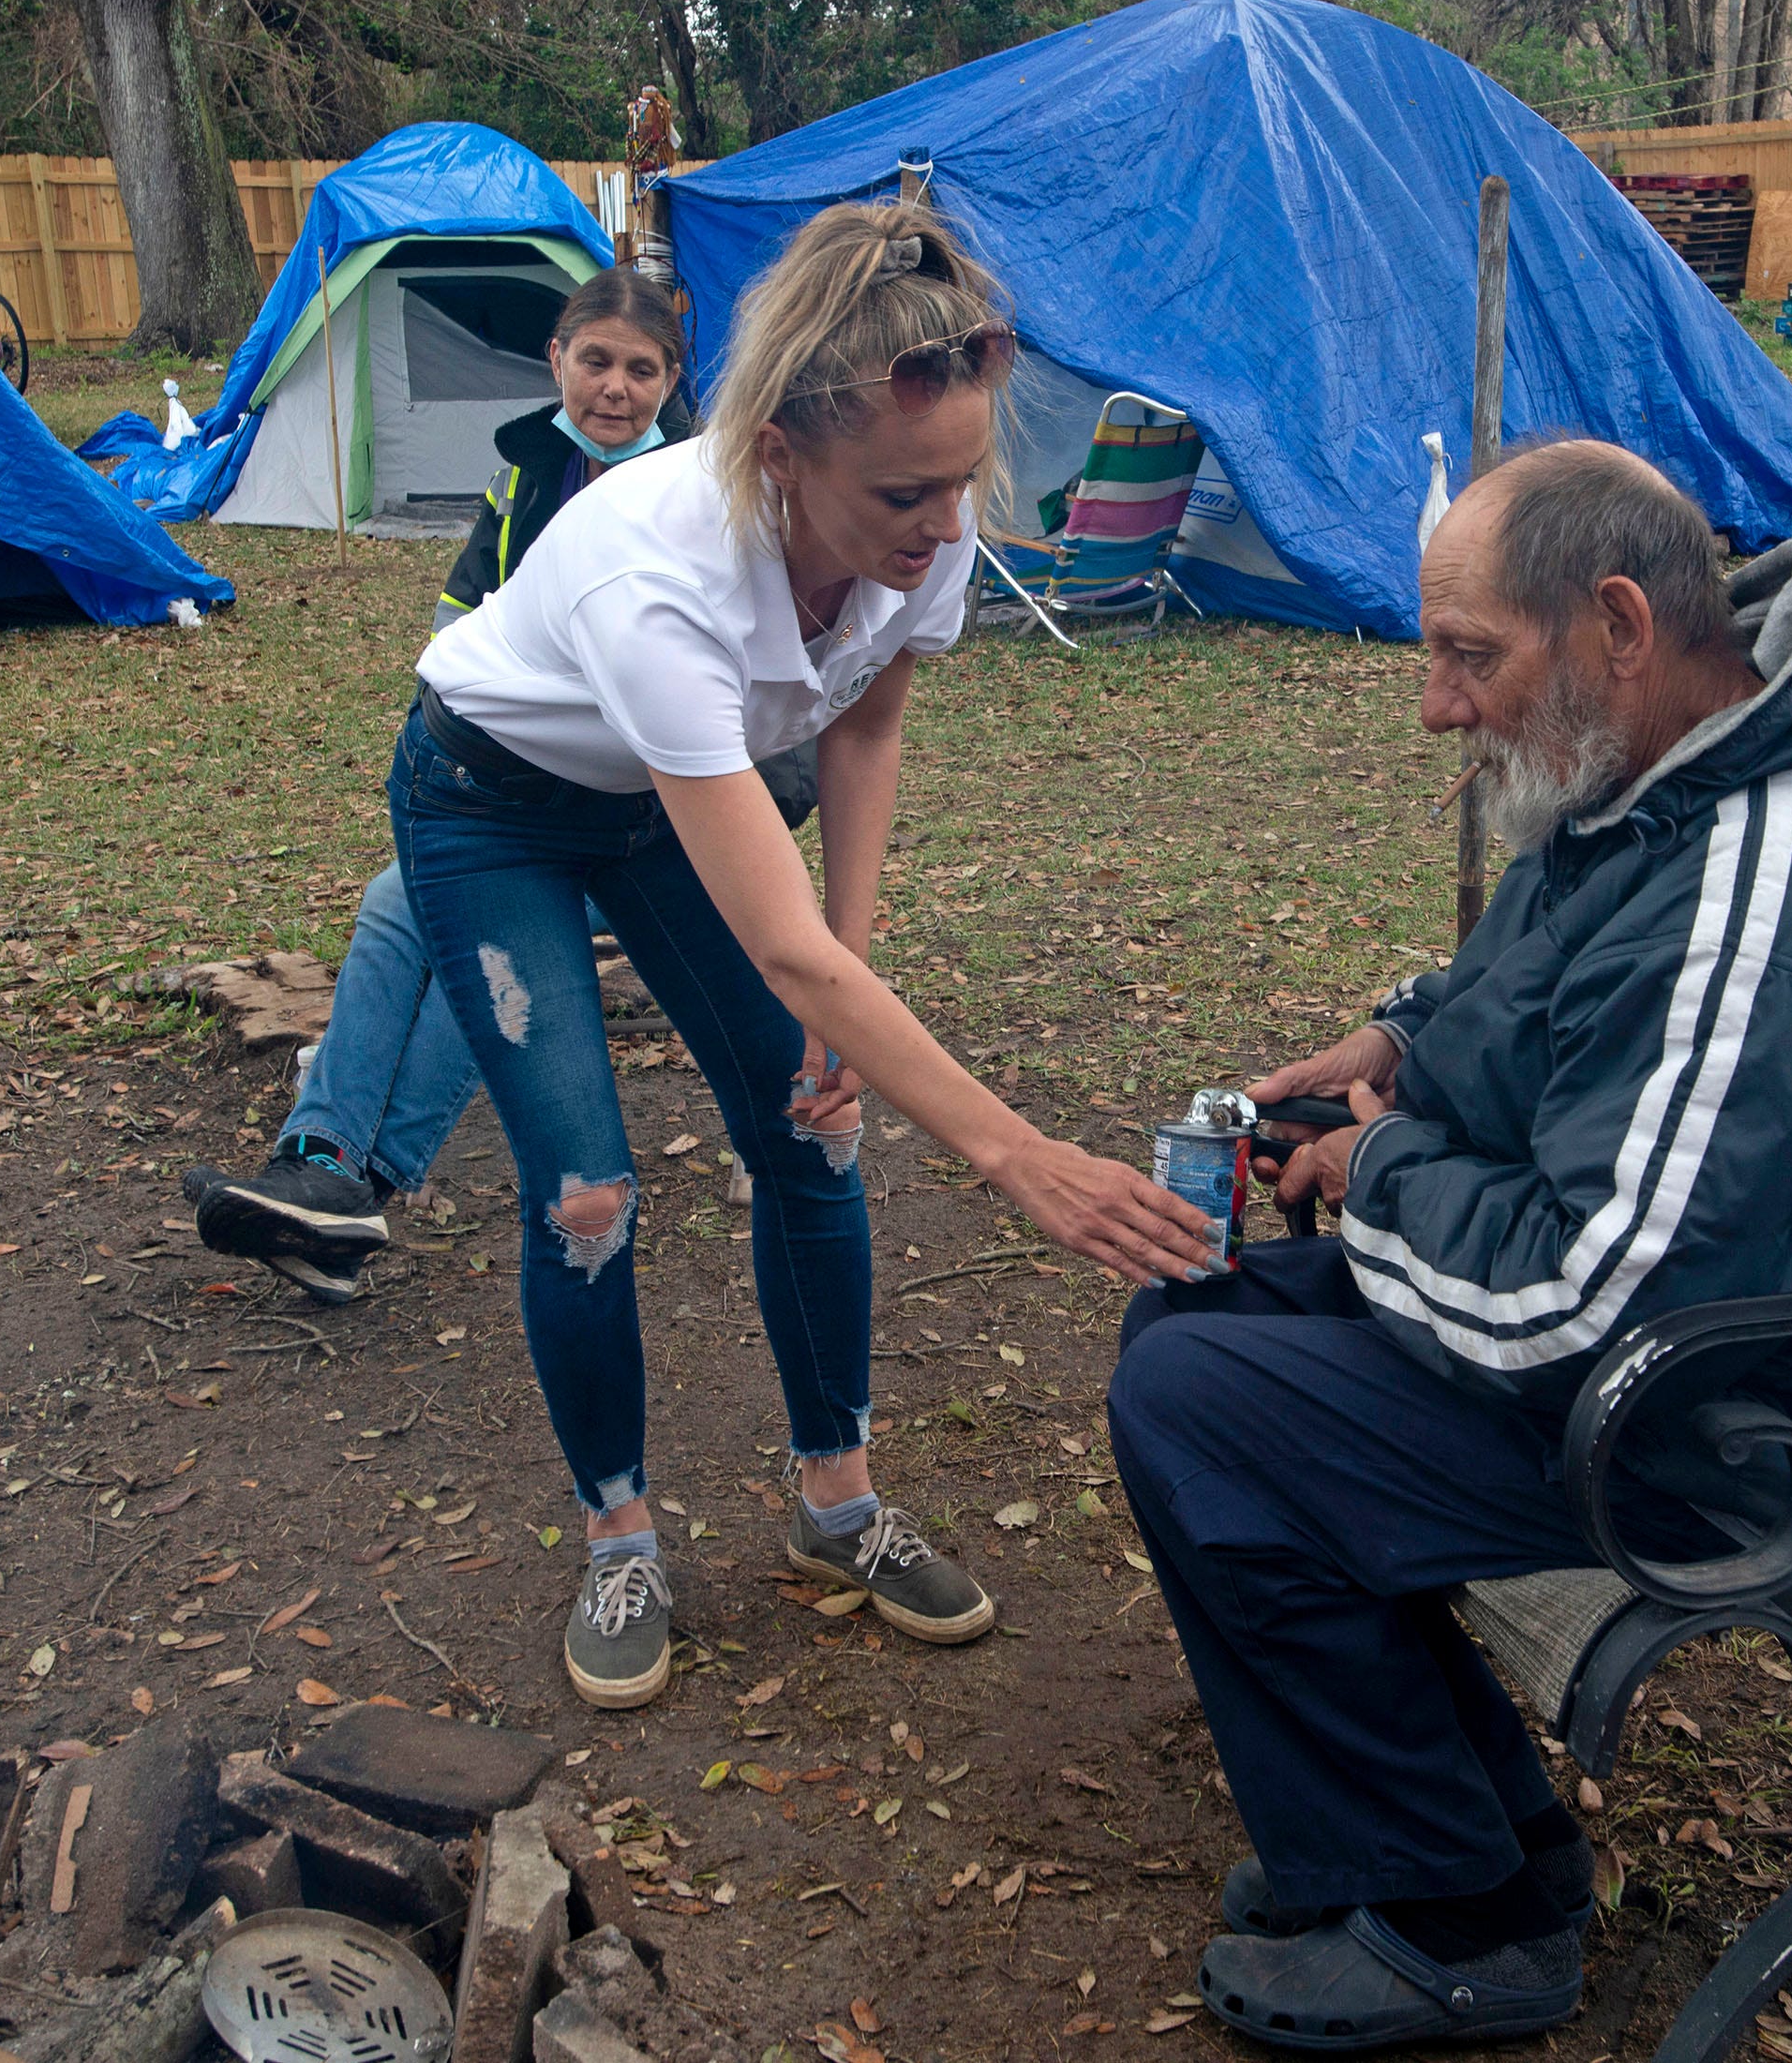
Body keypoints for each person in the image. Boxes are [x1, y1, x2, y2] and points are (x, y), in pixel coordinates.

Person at [1103, 441, 1792, 2052]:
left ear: (1614, 622)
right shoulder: (1671, 762)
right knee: (1193, 1321)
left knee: (1208, 1405)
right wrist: (1401, 1044)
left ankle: (1475, 1922)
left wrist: (1379, 1163)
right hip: (1701, 1333)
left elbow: (1583, 1305)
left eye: (1469, 655)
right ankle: (1452, 1832)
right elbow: (1558, 997)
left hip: (1769, 1419)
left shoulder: (1756, 890)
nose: (1438, 705)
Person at [392, 200, 1218, 1710]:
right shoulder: (661, 580)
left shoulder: (926, 527)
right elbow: (775, 944)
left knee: (815, 1126)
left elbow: (869, 714)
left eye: (962, 483)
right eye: (905, 491)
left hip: (663, 804)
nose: (944, 526)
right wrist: (1017, 1155)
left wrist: (854, 948)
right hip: (492, 807)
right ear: (779, 450)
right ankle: (617, 1531)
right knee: (586, 1191)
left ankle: (837, 1503)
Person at [183, 271, 819, 1303]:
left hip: (657, 818)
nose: (614, 388)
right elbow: (464, 629)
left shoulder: (709, 493)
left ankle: (343, 1177)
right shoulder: (526, 471)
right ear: (555, 360)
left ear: (672, 382)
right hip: (512, 784)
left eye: (641, 369)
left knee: (434, 916)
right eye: (596, 360)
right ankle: (336, 1179)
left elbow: (783, 713)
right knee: (411, 905)